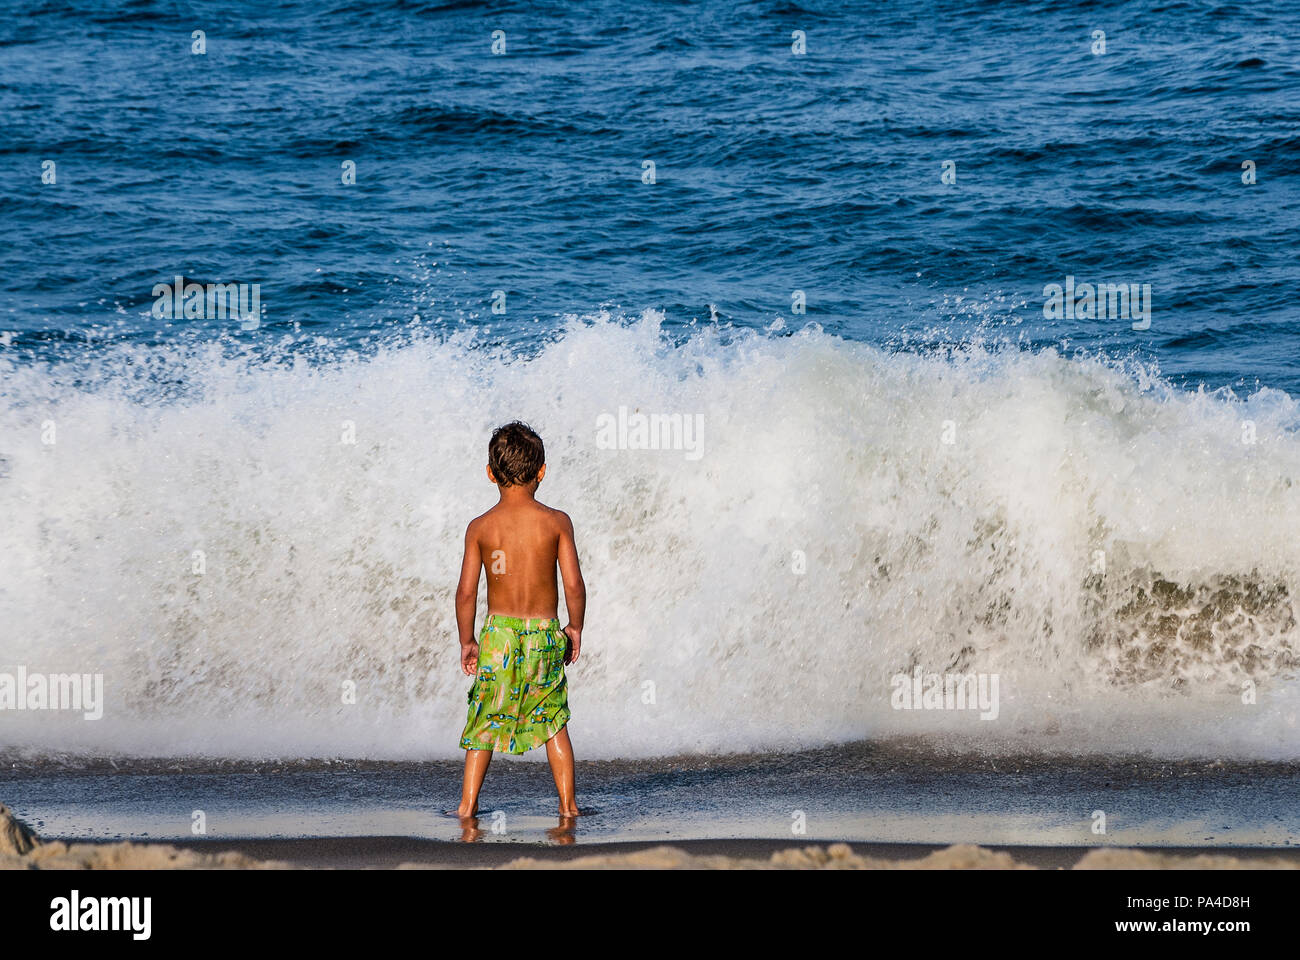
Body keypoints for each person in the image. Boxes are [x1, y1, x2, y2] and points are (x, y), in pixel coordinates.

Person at [455, 421, 585, 820]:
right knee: (553, 720)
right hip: (545, 633)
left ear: (490, 473)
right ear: (542, 471)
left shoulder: (480, 527)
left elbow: (465, 593)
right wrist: (575, 627)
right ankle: (567, 806)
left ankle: (467, 807)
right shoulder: (557, 522)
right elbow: (574, 584)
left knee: (485, 721)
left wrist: (468, 641)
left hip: (499, 637)